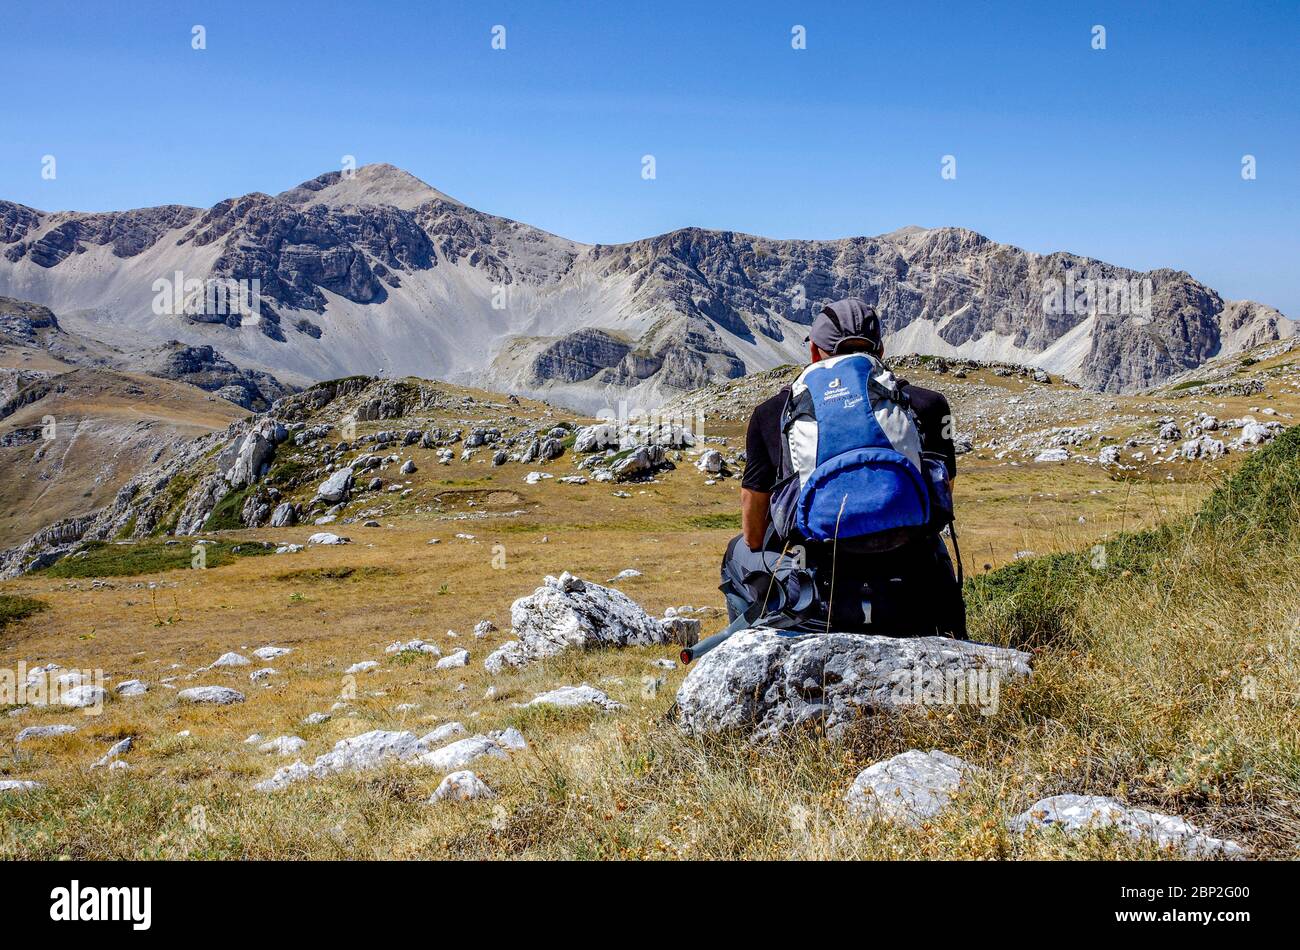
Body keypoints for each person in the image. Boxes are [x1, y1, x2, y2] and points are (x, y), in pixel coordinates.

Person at [721, 297, 966, 638]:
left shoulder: (771, 414)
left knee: (737, 552)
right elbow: (943, 499)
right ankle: (946, 628)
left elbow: (754, 534)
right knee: (933, 544)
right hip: (912, 596)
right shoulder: (930, 405)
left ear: (814, 353)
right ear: (880, 351)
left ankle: (753, 648)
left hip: (820, 603)